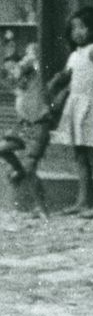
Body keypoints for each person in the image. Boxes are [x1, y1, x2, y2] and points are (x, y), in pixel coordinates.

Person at [50, 6, 93, 218]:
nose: (78, 32)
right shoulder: (75, 55)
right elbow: (70, 78)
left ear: (92, 29)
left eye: (82, 27)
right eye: (74, 28)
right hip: (75, 107)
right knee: (79, 155)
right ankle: (83, 201)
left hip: (90, 106)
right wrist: (58, 85)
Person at [1, 34, 54, 219]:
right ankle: (18, 170)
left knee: (31, 167)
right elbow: (11, 77)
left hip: (39, 126)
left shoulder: (37, 73)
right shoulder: (23, 82)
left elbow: (28, 64)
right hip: (24, 127)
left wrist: (27, 59)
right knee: (2, 148)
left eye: (30, 53)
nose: (27, 56)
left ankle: (42, 208)